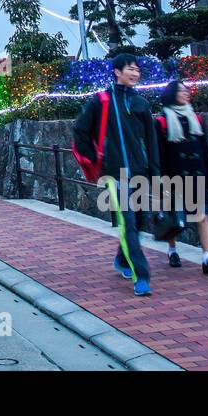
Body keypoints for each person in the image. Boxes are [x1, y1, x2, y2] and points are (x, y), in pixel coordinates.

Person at [72, 52, 162, 296]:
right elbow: (79, 130)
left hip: (140, 171)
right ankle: (141, 275)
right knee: (128, 222)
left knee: (140, 220)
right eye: (130, 69)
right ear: (117, 71)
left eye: (137, 69)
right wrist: (95, 159)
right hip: (115, 173)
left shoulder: (141, 103)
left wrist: (155, 172)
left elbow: (152, 141)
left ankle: (122, 260)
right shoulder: (100, 101)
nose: (135, 73)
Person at [154, 79, 208, 275]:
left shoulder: (196, 119)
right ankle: (172, 249)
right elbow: (158, 154)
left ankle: (207, 256)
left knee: (203, 216)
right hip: (173, 179)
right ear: (172, 94)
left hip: (197, 175)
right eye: (182, 91)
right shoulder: (162, 122)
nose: (186, 93)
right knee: (174, 219)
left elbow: (204, 150)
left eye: (186, 90)